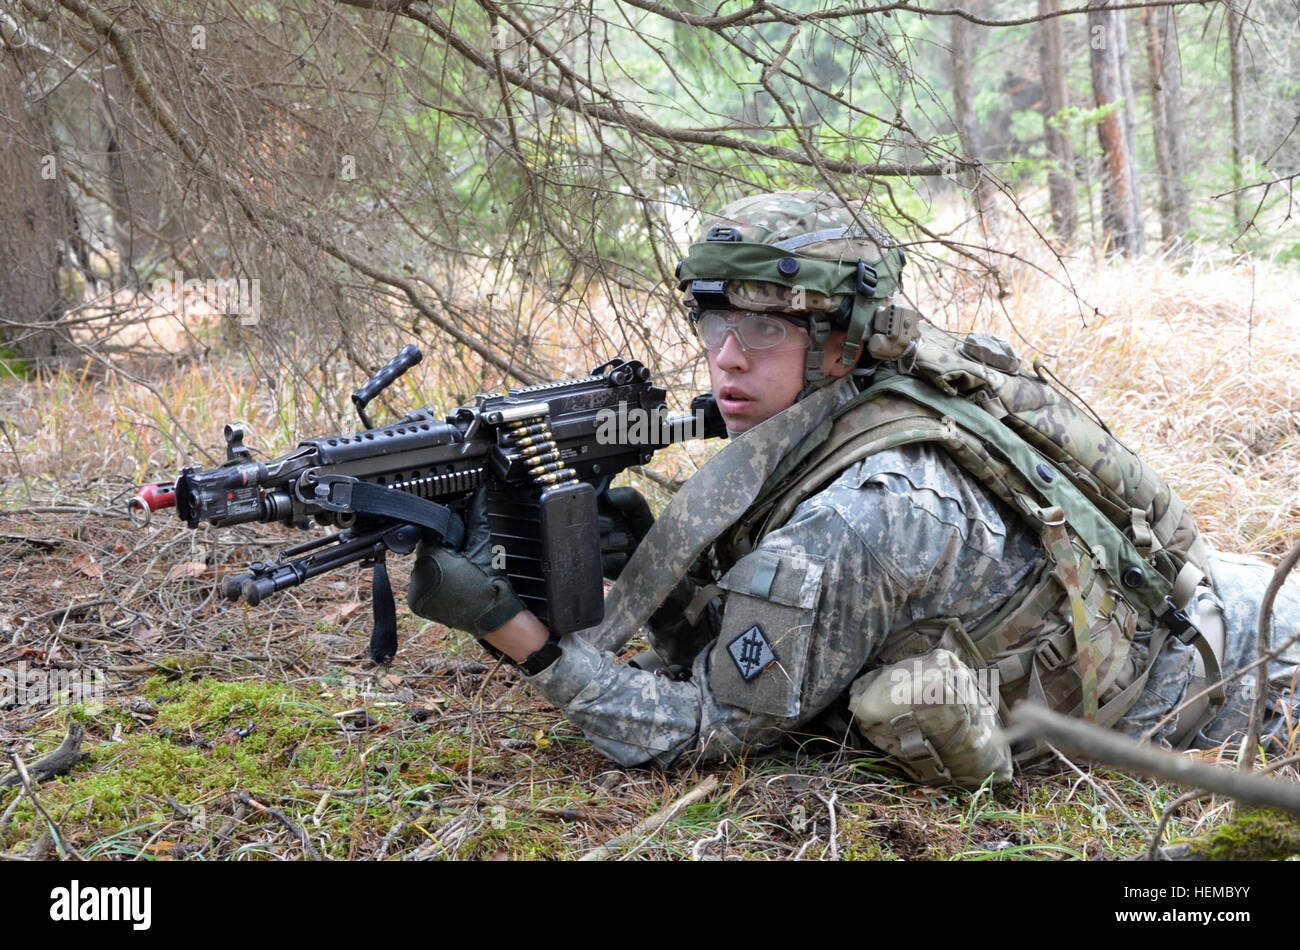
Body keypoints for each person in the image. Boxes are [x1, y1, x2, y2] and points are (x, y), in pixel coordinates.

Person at [408, 190, 1300, 788]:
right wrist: (663, 573)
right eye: (717, 319)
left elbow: (699, 733)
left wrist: (517, 635)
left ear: (841, 342)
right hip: (1201, 601)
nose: (727, 354)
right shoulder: (873, 399)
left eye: (764, 325)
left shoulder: (860, 517)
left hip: (1240, 686)